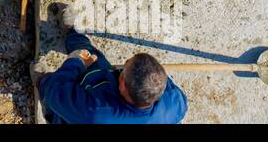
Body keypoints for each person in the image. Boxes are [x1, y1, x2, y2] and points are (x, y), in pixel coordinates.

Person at [38, 27, 188, 124]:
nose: (125, 63)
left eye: (124, 68)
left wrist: (75, 61)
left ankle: (38, 79)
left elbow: (54, 91)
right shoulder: (175, 104)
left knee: (51, 92)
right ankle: (73, 33)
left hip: (79, 110)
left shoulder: (95, 111)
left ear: (122, 86)